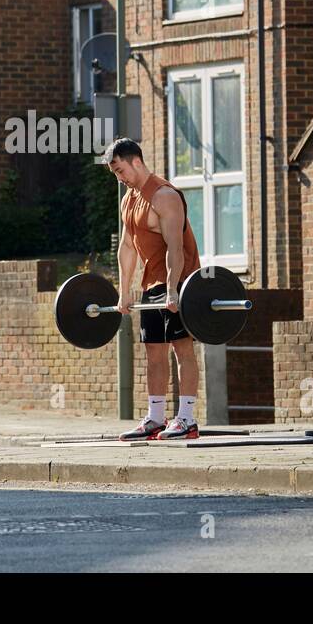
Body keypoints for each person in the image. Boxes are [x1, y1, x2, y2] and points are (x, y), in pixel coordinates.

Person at [103, 137, 202, 440]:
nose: (119, 178)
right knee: (153, 352)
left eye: (120, 170)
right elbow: (127, 249)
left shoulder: (165, 196)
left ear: (136, 162)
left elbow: (176, 247)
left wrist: (173, 289)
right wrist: (124, 291)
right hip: (152, 283)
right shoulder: (129, 199)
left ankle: (186, 419)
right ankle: (155, 418)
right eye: (115, 173)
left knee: (181, 349)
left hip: (181, 281)